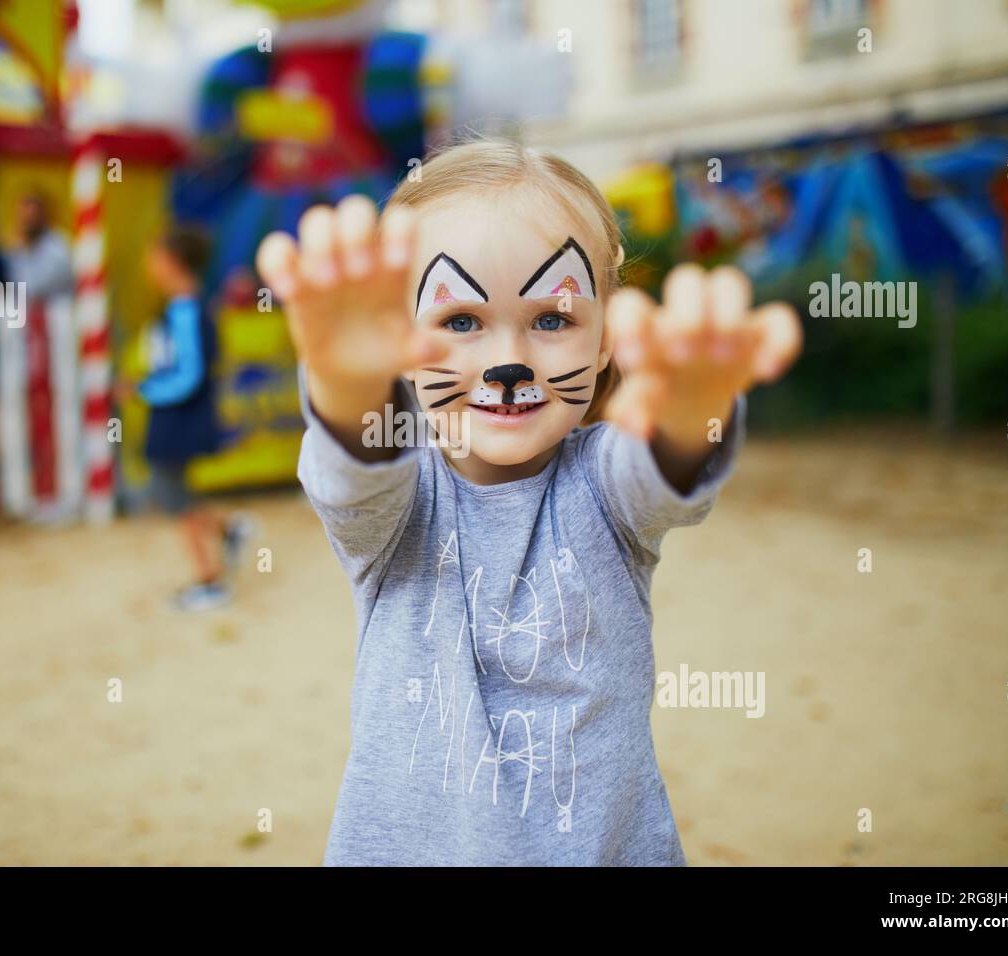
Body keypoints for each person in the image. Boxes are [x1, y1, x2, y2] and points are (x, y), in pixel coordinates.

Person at [254, 140, 802, 865]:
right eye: (458, 321)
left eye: (552, 318)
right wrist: (348, 380)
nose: (506, 362)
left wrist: (694, 402)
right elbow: (356, 468)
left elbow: (663, 467)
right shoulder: (400, 502)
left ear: (604, 335)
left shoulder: (605, 488)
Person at [129, 226, 249, 611]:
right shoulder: (181, 308)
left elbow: (189, 373)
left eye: (154, 258)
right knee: (173, 490)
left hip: (178, 417)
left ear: (171, 262)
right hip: (173, 415)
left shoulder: (187, 310)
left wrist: (144, 389)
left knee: (171, 494)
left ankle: (209, 580)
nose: (149, 267)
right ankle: (229, 531)